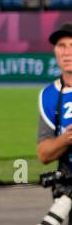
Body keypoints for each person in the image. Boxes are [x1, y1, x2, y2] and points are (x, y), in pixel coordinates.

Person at [37, 25, 72, 169]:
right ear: (55, 51)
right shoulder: (49, 95)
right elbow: (44, 154)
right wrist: (67, 138)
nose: (67, 52)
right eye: (61, 46)